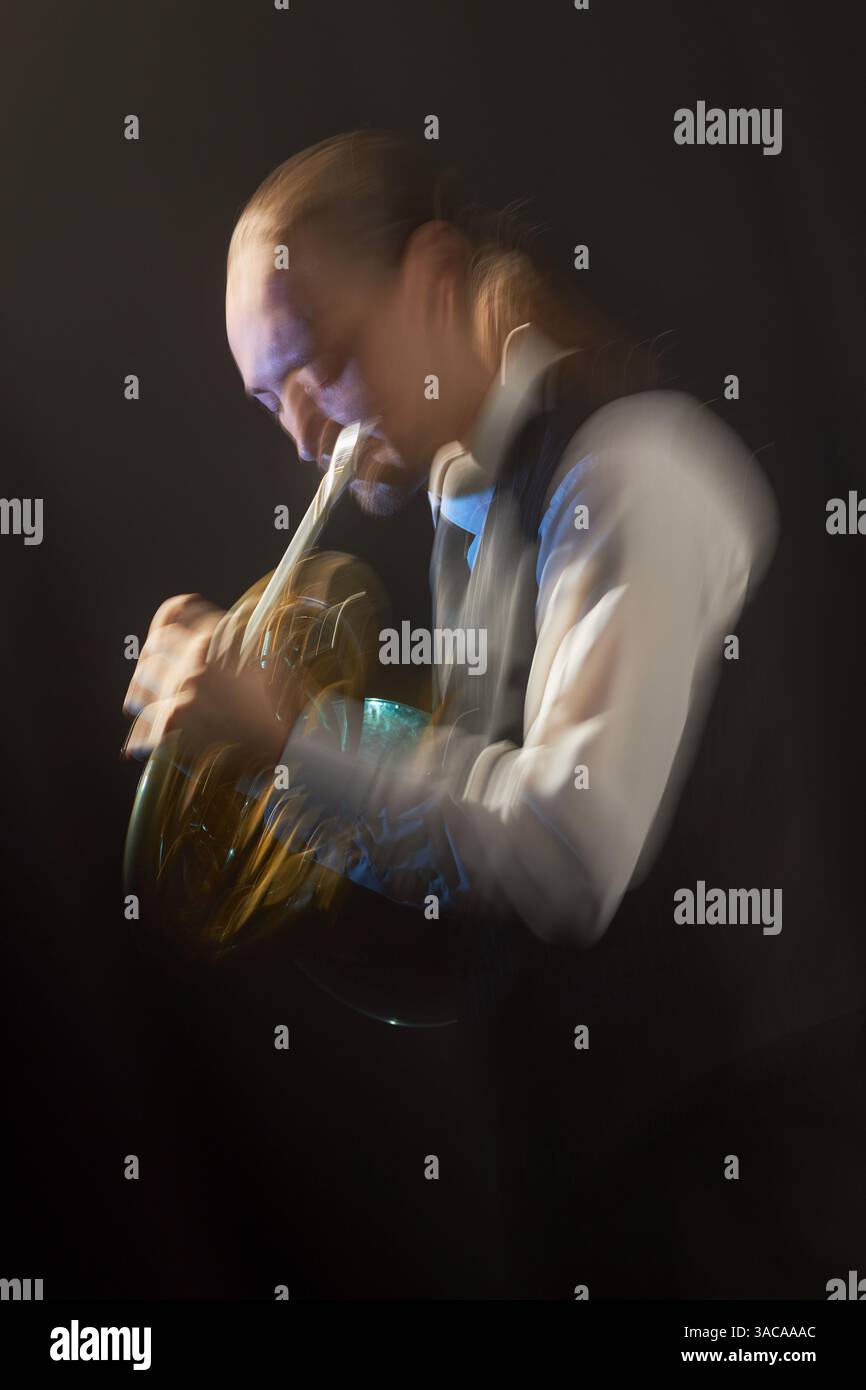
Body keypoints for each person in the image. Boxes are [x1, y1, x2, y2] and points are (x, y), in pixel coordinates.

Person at [125, 132, 865, 1299]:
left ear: (431, 277)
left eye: (321, 360)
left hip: (748, 1194)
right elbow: (474, 893)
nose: (305, 432)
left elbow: (568, 854)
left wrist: (289, 741)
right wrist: (276, 791)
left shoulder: (629, 468)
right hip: (602, 1184)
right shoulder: (459, 515)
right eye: (271, 400)